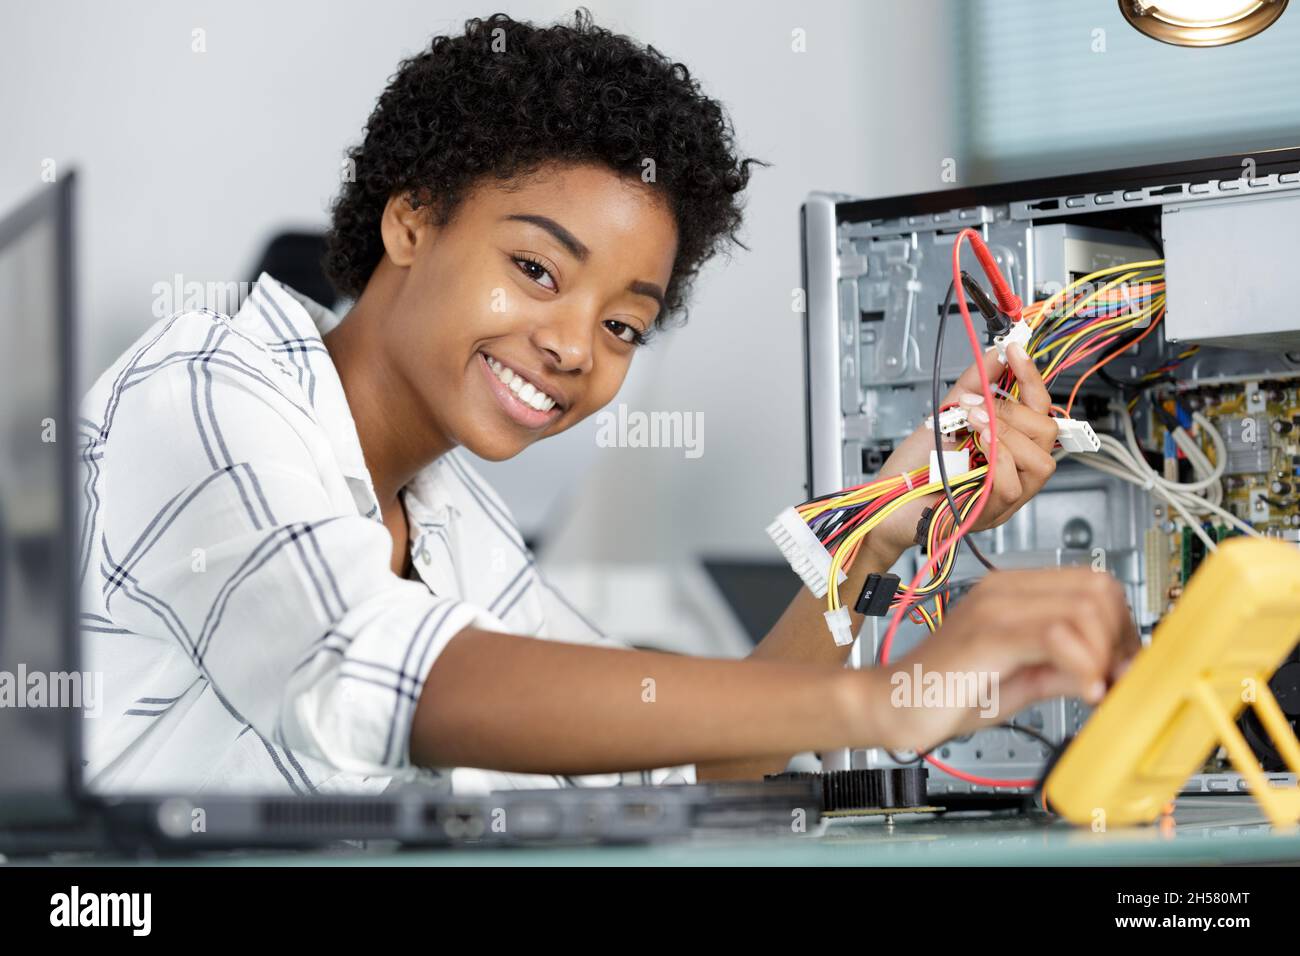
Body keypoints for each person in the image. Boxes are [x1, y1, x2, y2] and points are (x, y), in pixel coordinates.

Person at [76, 11, 1138, 795]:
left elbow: (697, 753)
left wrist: (887, 515)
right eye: (537, 269)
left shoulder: (447, 516)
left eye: (625, 323)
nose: (575, 346)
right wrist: (891, 699)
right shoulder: (203, 385)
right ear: (410, 221)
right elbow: (380, 675)